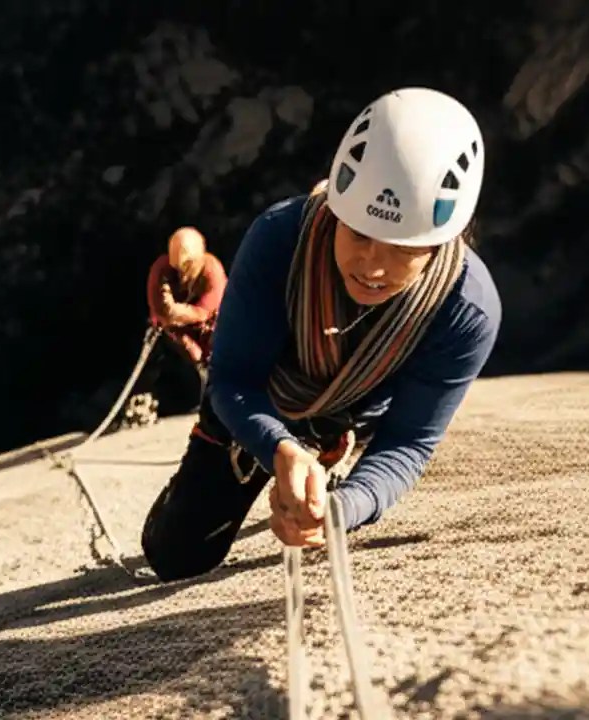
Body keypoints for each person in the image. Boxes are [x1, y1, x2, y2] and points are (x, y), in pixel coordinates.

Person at [141, 87, 502, 581]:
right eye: (358, 234)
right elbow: (233, 380)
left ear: (443, 242)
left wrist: (341, 509)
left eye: (402, 248)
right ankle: (186, 491)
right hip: (258, 401)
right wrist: (278, 447)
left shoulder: (465, 310)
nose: (372, 266)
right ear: (334, 210)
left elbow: (409, 441)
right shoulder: (280, 239)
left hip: (346, 417)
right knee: (176, 556)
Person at [142, 226, 228, 410]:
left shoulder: (212, 271)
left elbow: (203, 311)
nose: (183, 273)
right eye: (177, 267)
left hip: (210, 328)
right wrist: (183, 338)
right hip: (172, 331)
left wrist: (173, 310)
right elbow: (158, 310)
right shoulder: (161, 269)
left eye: (187, 266)